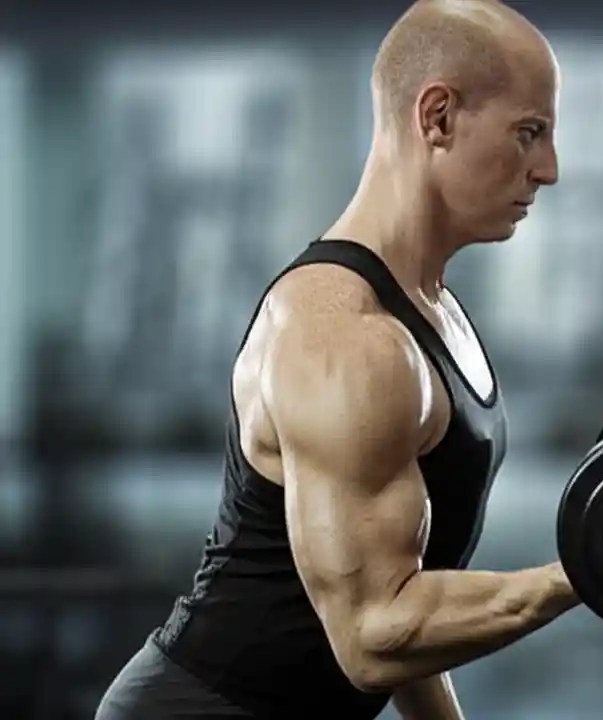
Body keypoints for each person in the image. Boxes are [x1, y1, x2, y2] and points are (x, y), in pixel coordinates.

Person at [95, 1, 578, 717]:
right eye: (528, 133)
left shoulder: (430, 314)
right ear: (437, 118)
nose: (549, 169)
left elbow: (407, 596)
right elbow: (374, 633)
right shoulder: (345, 339)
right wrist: (577, 578)